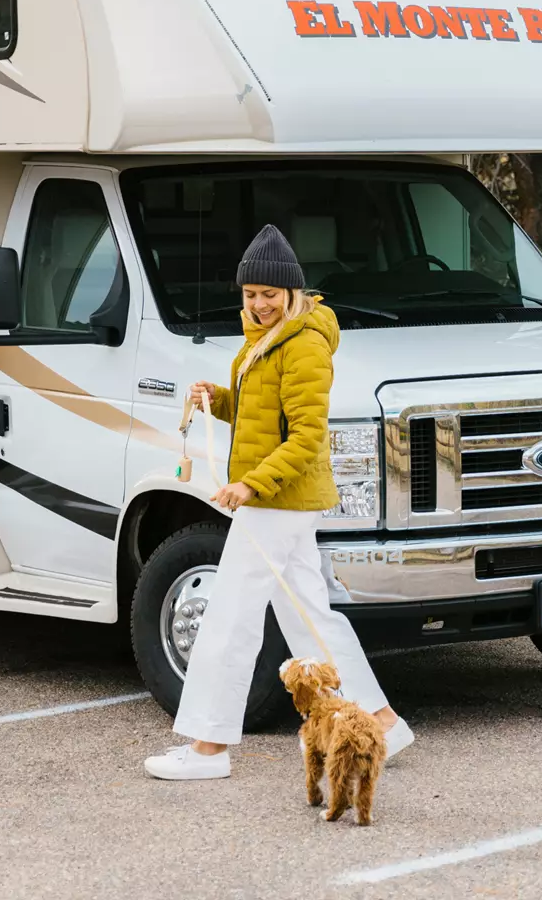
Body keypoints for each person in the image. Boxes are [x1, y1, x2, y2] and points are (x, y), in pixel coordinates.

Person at [145, 224, 413, 780]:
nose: (259, 303)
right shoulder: (262, 338)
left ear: (293, 292)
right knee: (310, 614)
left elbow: (308, 435)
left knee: (230, 615)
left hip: (278, 500)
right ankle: (380, 720)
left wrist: (250, 486)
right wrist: (217, 399)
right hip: (284, 500)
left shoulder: (305, 344)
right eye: (250, 294)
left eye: (270, 294)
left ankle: (208, 749)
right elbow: (260, 416)